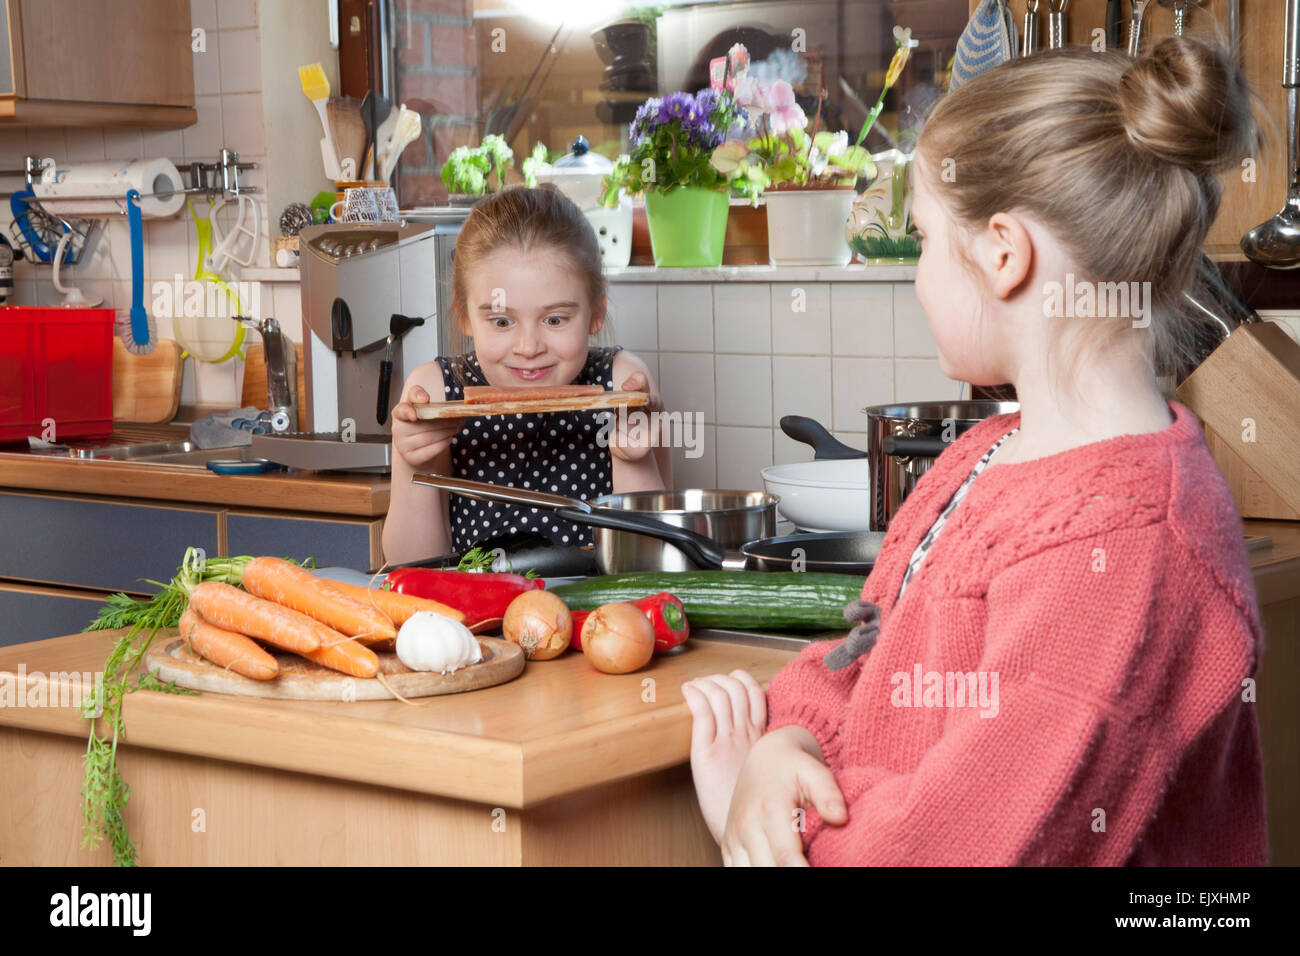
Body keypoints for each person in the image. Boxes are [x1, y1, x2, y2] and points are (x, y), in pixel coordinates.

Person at [684, 36, 1269, 866]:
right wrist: (785, 748)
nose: (920, 272)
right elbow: (860, 652)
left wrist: (783, 828)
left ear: (1004, 253)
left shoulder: (1133, 547)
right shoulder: (982, 457)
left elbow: (969, 845)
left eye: (923, 239)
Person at [384, 186, 671, 564]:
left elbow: (654, 562)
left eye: (554, 319)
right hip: (475, 619)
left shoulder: (622, 383)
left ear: (595, 312)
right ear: (466, 316)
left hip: (596, 619)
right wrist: (413, 465)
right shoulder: (436, 391)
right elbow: (413, 568)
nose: (529, 346)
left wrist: (634, 461)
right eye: (502, 321)